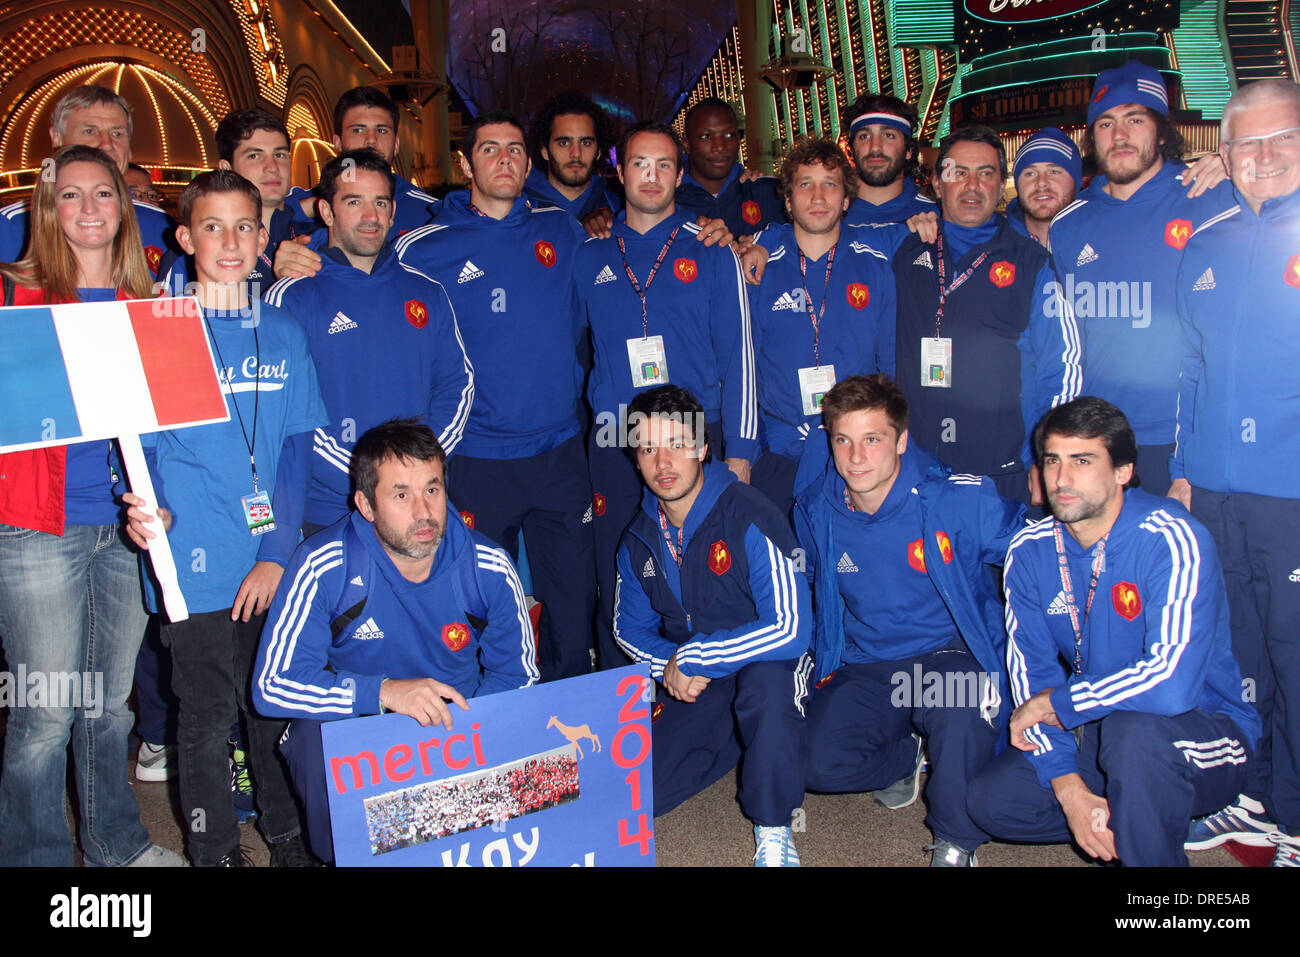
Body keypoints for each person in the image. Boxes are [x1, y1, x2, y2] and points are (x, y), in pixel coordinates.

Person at [123, 169, 329, 866]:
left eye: (245, 226)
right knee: (206, 717)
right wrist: (150, 510)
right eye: (212, 226)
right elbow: (139, 455)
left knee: (271, 709)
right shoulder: (160, 331)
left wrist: (277, 550)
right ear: (184, 237)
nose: (231, 241)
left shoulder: (285, 330)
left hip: (269, 563)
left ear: (265, 236)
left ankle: (288, 834)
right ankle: (213, 849)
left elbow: (296, 448)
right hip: (194, 567)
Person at [966, 397, 1261, 866]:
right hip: (1103, 729)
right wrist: (1071, 792)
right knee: (992, 800)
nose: (1061, 479)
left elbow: (1172, 685)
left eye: (1082, 461)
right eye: (1052, 460)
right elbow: (1033, 682)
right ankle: (1146, 813)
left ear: (1123, 471)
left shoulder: (1171, 537)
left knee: (1135, 739)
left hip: (1206, 731)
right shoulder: (1030, 549)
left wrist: (1064, 704)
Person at [0, 144, 183, 867]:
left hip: (126, 526)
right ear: (48, 208)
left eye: (101, 194)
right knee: (43, 709)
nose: (86, 209)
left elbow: (174, 423)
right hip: (34, 523)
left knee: (107, 707)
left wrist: (163, 505)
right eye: (69, 195)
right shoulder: (14, 297)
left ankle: (116, 841)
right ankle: (34, 858)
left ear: (124, 206)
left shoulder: (156, 300)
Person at [252, 419, 539, 863]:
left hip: (454, 721)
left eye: (433, 489)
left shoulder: (488, 567)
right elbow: (272, 686)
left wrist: (468, 735)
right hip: (359, 720)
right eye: (401, 495)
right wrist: (382, 693)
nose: (424, 512)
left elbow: (517, 678)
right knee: (311, 739)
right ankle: (338, 854)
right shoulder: (324, 565)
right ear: (366, 505)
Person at [393, 110, 596, 681]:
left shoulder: (563, 231)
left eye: (514, 149)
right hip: (476, 457)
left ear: (530, 163)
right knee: (477, 609)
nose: (504, 159)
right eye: (489, 149)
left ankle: (567, 719)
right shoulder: (422, 247)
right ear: (465, 163)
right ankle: (490, 729)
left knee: (572, 604)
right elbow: (361, 274)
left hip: (560, 453)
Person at [794, 375, 1025, 865]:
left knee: (961, 712)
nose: (856, 457)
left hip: (946, 653)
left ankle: (955, 842)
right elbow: (811, 591)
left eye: (872, 440)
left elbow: (1036, 551)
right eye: (843, 440)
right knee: (813, 763)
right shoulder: (816, 509)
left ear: (901, 440)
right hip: (870, 662)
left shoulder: (957, 499)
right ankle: (906, 755)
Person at [1171, 78, 1300, 866]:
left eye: (1280, 136)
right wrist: (1182, 471)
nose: (1262, 156)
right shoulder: (1208, 241)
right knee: (1240, 654)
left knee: (1296, 655)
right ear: (1223, 154)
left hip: (1292, 496)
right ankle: (1252, 796)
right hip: (1215, 493)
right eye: (1245, 143)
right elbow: (1189, 367)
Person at [574, 121, 756, 668]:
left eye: (663, 166)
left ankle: (706, 684)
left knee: (705, 570)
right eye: (638, 165)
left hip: (696, 438)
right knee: (619, 568)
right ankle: (623, 698)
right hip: (616, 438)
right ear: (620, 172)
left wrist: (742, 450)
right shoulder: (589, 256)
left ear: (679, 174)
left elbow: (739, 356)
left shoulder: (711, 247)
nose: (651, 177)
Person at [612, 386, 812, 865]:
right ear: (635, 459)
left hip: (767, 662)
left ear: (703, 447)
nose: (664, 461)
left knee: (764, 694)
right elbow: (627, 629)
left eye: (678, 444)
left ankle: (774, 825)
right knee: (640, 795)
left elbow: (790, 630)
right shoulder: (636, 538)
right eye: (648, 448)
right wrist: (671, 666)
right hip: (700, 678)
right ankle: (744, 742)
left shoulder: (750, 512)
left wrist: (696, 656)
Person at [1048, 60, 1237, 495]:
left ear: (1162, 130)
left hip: (1187, 435)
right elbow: (1066, 340)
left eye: (1135, 119)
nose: (1119, 135)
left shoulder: (1210, 198)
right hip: (1099, 439)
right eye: (1106, 123)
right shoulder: (1069, 225)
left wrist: (1237, 167)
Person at [264, 149, 473, 533]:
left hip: (418, 503)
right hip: (331, 511)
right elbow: (285, 414)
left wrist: (417, 468)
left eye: (380, 202)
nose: (370, 216)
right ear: (327, 212)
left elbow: (456, 385)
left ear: (393, 212)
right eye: (353, 201)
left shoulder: (426, 291)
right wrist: (371, 477)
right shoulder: (291, 297)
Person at [893, 125, 1081, 504]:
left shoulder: (1032, 263)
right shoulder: (904, 250)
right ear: (935, 182)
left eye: (986, 173)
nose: (972, 185)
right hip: (920, 466)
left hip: (1005, 471)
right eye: (958, 172)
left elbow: (1061, 367)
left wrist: (1046, 457)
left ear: (1000, 184)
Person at [750, 139, 896, 514]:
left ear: (846, 199)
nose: (818, 196)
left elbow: (891, 364)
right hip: (780, 450)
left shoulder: (875, 265)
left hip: (855, 454)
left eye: (830, 184)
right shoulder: (757, 268)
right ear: (787, 199)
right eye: (805, 184)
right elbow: (741, 367)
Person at [0, 85, 177, 273]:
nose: (107, 144)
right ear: (57, 137)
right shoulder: (10, 227)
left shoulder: (162, 228)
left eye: (117, 133)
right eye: (90, 131)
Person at [158, 109, 316, 295]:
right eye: (254, 156)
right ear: (227, 168)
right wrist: (278, 285)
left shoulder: (315, 236)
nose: (272, 167)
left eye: (279, 155)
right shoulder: (190, 255)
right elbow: (168, 320)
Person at [675, 98, 784, 238]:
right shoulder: (668, 201)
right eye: (706, 136)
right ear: (687, 144)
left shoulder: (770, 194)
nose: (720, 147)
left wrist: (763, 246)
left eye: (729, 135)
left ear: (739, 140)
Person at [840, 94, 937, 225]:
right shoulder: (830, 216)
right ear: (851, 150)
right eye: (864, 136)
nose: (875, 147)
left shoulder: (934, 216)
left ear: (909, 150)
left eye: (888, 135)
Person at [524, 90, 619, 223]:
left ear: (598, 151)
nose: (576, 153)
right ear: (544, 150)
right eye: (564, 143)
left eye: (585, 143)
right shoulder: (519, 208)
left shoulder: (617, 210)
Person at [1004, 127, 1082, 248]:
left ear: (1076, 181)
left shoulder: (1100, 239)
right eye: (1030, 174)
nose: (1041, 182)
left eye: (1054, 172)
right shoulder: (993, 246)